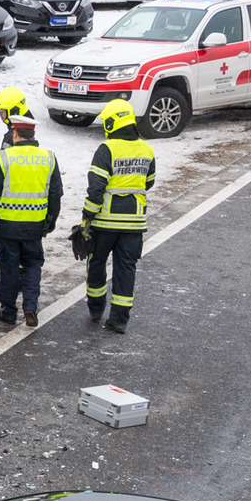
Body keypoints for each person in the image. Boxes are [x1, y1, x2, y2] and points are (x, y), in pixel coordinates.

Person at [82, 99, 156, 334]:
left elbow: (96, 187)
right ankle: (119, 319)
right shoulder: (147, 148)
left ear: (114, 122)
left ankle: (96, 308)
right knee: (126, 270)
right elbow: (149, 182)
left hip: (105, 223)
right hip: (134, 224)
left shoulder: (107, 149)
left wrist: (87, 217)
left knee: (96, 263)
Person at [0, 109, 61, 329]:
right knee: (33, 266)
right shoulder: (49, 158)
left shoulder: (4, 157)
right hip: (35, 227)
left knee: (8, 268)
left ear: (15, 134)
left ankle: (8, 311)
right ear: (33, 135)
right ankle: (30, 307)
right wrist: (50, 222)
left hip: (8, 226)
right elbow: (56, 195)